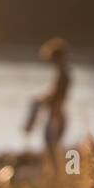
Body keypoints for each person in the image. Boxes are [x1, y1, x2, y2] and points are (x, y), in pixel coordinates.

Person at [25, 38, 70, 170]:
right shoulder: (62, 74)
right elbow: (53, 94)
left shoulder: (63, 75)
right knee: (51, 147)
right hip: (56, 116)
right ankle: (55, 175)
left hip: (56, 117)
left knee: (51, 148)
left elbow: (56, 96)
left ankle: (57, 176)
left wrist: (40, 101)